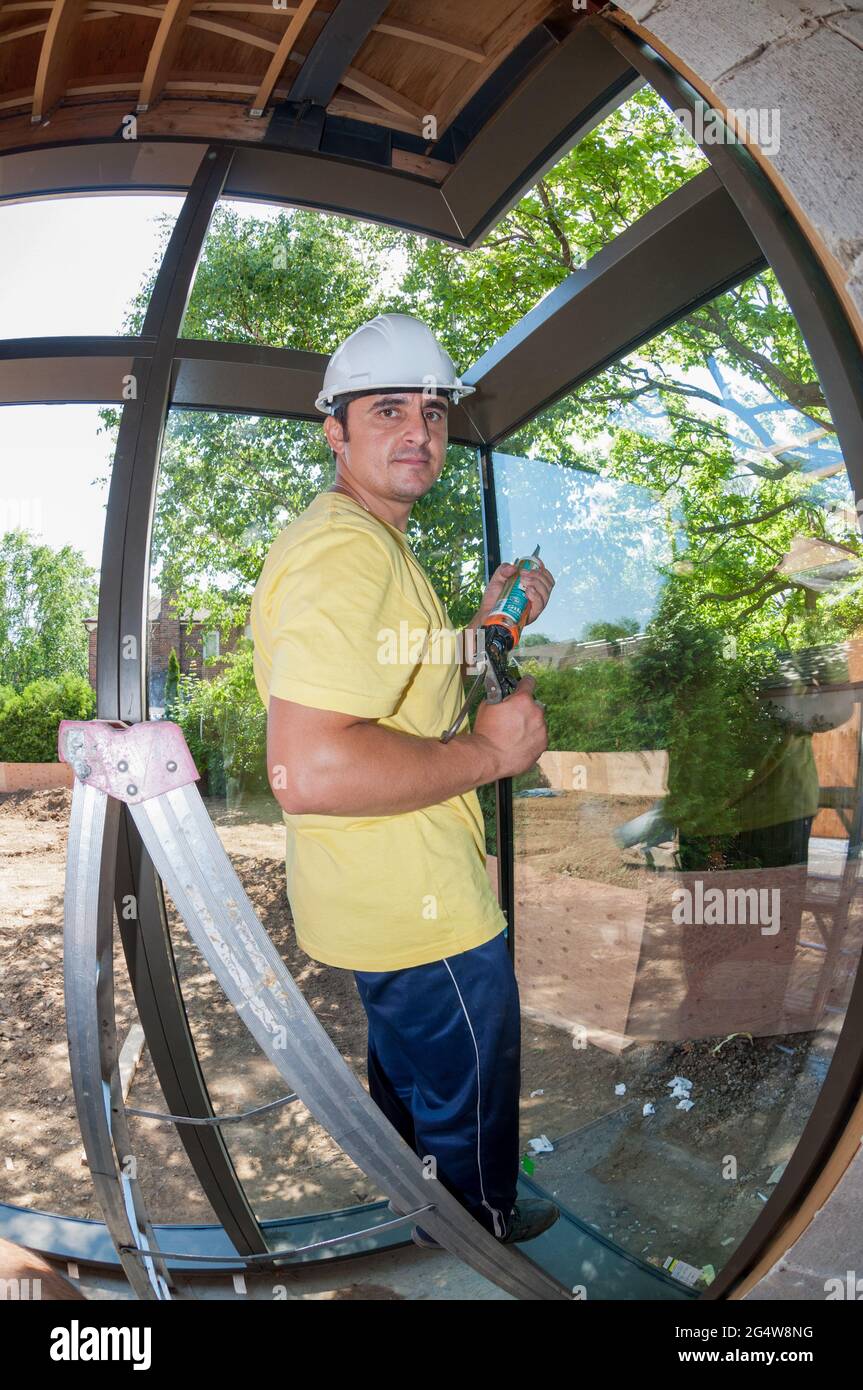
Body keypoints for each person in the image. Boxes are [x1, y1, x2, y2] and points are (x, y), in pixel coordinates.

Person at [251, 312, 559, 1248]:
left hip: (380, 904)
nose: (420, 431)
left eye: (433, 410)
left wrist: (490, 629)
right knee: (468, 1092)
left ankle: (429, 1219)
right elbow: (308, 768)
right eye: (388, 410)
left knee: (417, 1089)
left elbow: (399, 700)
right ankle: (479, 1239)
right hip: (419, 906)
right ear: (334, 431)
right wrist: (493, 757)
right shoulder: (346, 551)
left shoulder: (363, 543)